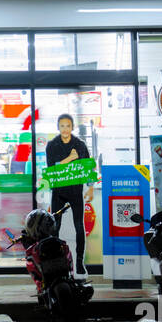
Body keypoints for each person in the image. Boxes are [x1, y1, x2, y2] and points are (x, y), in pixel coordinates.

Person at [45, 113, 94, 271]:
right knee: (55, 226)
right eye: (62, 126)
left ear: (72, 127)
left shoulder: (80, 144)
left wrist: (91, 187)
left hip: (75, 190)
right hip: (58, 191)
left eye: (68, 126)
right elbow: (51, 168)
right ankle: (56, 261)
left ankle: (79, 262)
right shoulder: (52, 145)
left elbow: (88, 168)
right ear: (58, 127)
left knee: (79, 226)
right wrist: (70, 158)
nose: (65, 129)